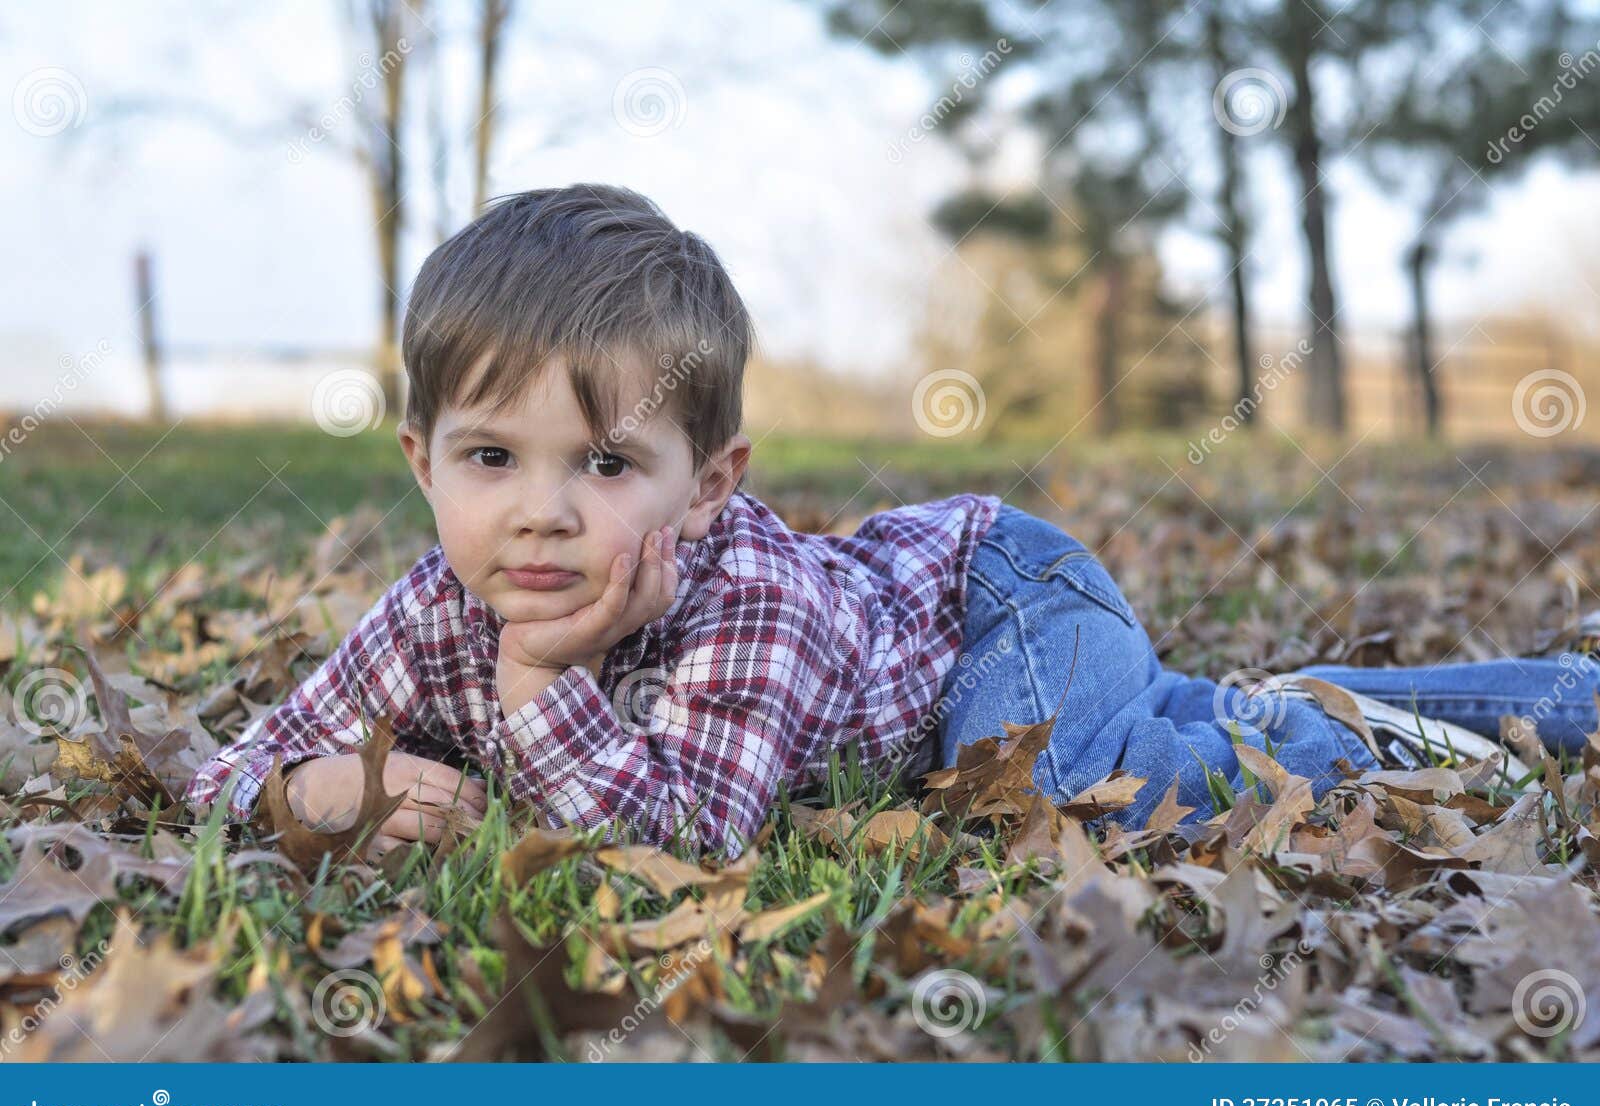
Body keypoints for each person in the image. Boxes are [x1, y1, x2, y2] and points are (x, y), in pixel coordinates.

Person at [184, 183, 1596, 859]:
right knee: (1157, 724)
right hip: (978, 609)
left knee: (1075, 794)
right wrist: (306, 791)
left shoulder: (749, 596)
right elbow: (226, 767)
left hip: (1001, 597)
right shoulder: (433, 603)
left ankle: (1356, 733)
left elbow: (691, 838)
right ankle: (1343, 700)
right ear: (424, 459)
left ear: (710, 481)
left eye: (607, 466)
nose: (540, 513)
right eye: (493, 456)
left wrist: (540, 682)